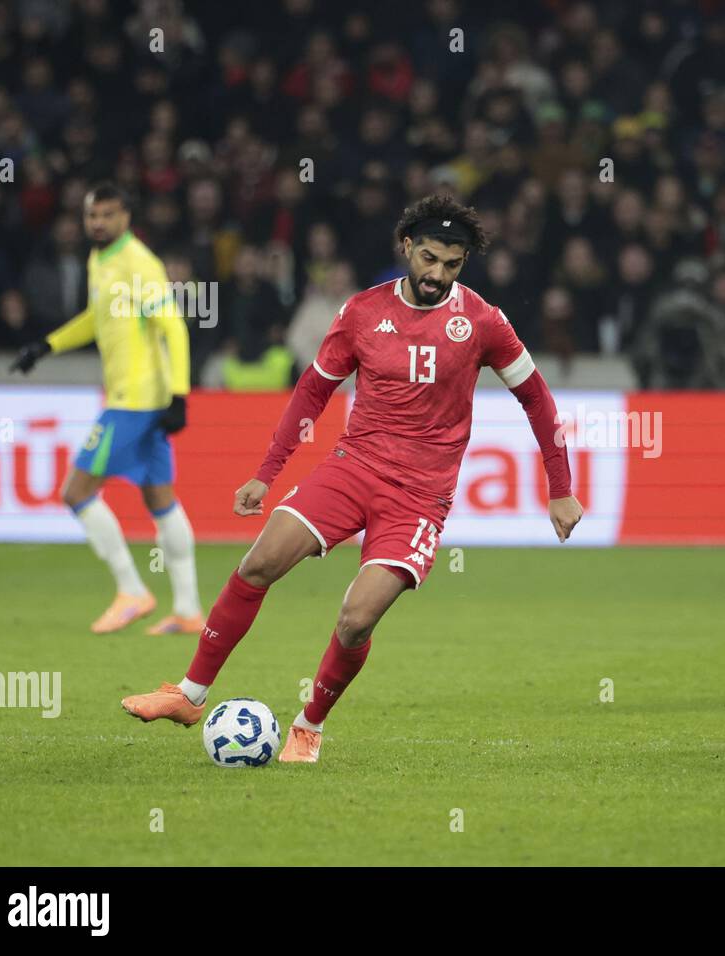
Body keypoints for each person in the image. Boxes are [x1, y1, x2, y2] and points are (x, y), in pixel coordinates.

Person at [119, 194, 583, 763]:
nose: (438, 275)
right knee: (259, 562)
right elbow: (313, 390)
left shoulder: (483, 322)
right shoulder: (363, 312)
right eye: (430, 259)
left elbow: (536, 399)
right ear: (408, 248)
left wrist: (559, 488)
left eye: (452, 265)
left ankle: (310, 724)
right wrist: (267, 473)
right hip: (352, 467)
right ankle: (190, 694)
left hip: (419, 497)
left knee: (357, 619)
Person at [9, 182, 201, 635]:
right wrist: (46, 346)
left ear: (126, 216)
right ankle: (189, 609)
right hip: (140, 400)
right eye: (91, 215)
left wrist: (179, 393)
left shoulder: (140, 264)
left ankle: (132, 590)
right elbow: (97, 319)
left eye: (107, 214)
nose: (97, 222)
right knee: (160, 499)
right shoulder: (99, 260)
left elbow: (174, 328)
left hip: (134, 401)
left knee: (75, 492)